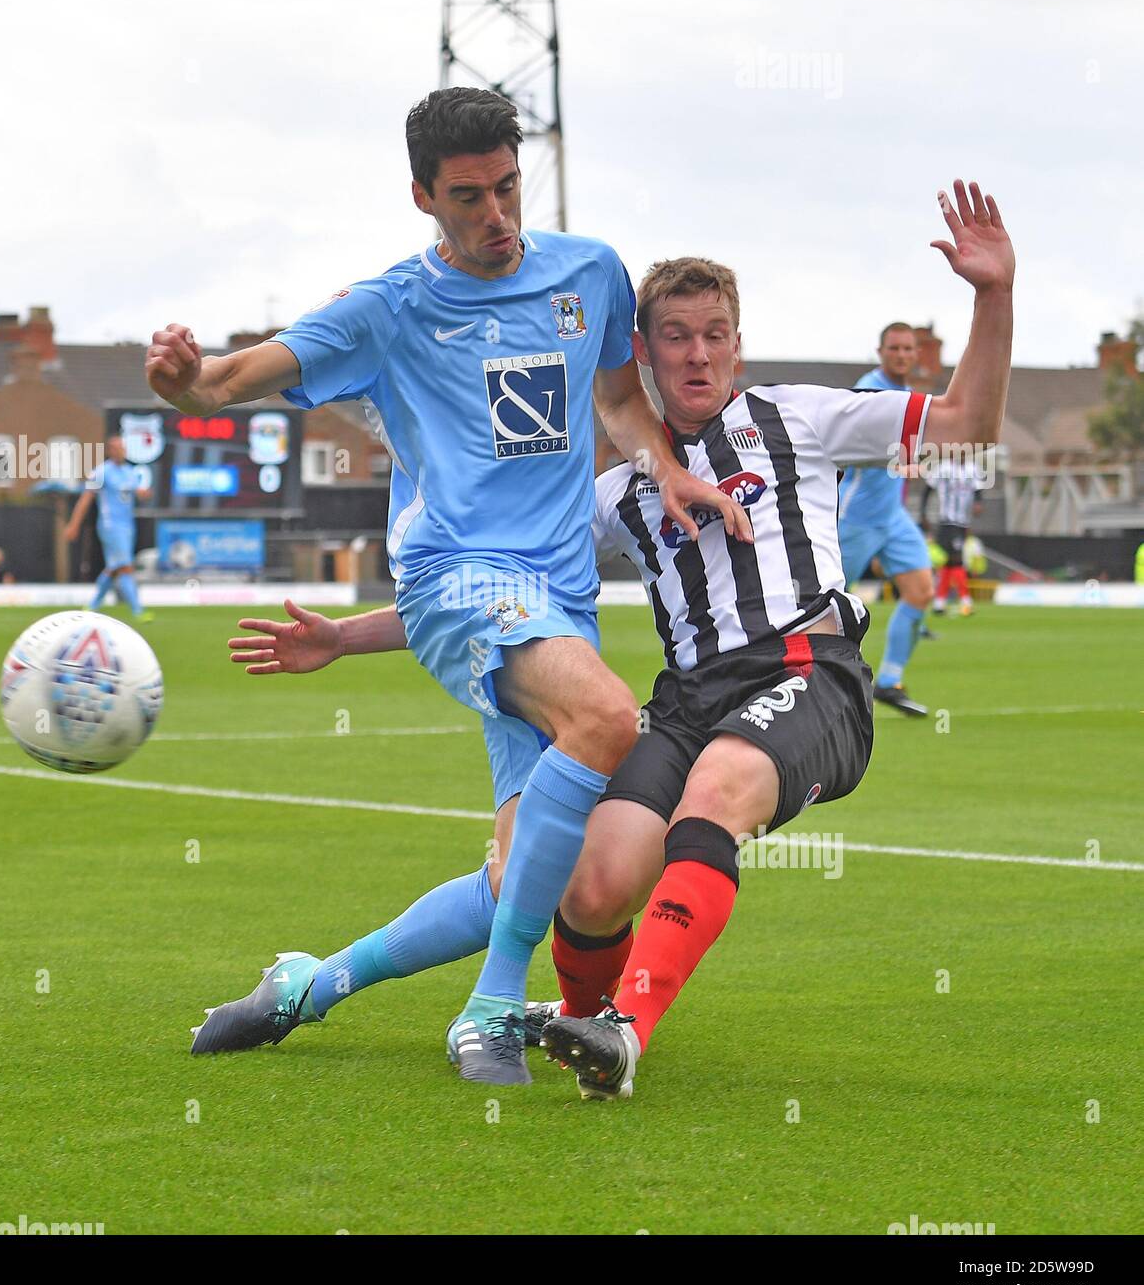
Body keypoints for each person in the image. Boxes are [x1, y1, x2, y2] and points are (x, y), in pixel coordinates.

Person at [232, 181, 1015, 1101]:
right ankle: (573, 1023)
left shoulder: (796, 418)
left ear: (738, 342)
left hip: (809, 670)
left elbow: (969, 424)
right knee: (589, 881)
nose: (698, 353)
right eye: (675, 336)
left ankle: (625, 1031)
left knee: (717, 792)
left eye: (715, 333)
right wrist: (343, 638)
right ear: (640, 352)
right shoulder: (612, 494)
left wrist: (992, 295)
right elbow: (498, 597)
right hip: (686, 699)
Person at [152, 87, 746, 1085]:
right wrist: (187, 381)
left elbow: (615, 400)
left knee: (525, 872)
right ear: (423, 195)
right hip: (454, 578)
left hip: (555, 602)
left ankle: (310, 982)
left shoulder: (588, 272)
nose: (497, 217)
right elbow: (231, 378)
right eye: (468, 197)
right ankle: (489, 1006)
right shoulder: (391, 308)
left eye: (509, 189)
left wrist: (663, 463)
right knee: (608, 719)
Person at [836, 323, 936, 715]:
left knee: (922, 591)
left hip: (892, 517)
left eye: (908, 348)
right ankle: (801, 684)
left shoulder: (910, 396)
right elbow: (843, 448)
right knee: (824, 606)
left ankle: (890, 681)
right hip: (855, 517)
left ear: (915, 354)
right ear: (881, 351)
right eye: (894, 348)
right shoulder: (868, 390)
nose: (901, 354)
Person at [64, 436, 152, 621]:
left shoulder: (130, 472)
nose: (122, 451)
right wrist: (74, 525)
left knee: (113, 568)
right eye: (118, 448)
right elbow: (86, 499)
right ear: (110, 451)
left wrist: (144, 494)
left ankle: (92, 606)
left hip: (128, 526)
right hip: (111, 526)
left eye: (123, 447)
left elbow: (138, 493)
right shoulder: (101, 472)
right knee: (126, 567)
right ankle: (138, 611)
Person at [927, 455, 986, 615]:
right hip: (947, 521)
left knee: (948, 563)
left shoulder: (972, 468)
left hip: (962, 523)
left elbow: (978, 490)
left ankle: (939, 603)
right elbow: (928, 489)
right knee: (957, 561)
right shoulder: (943, 467)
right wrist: (924, 516)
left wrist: (978, 504)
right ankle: (966, 602)